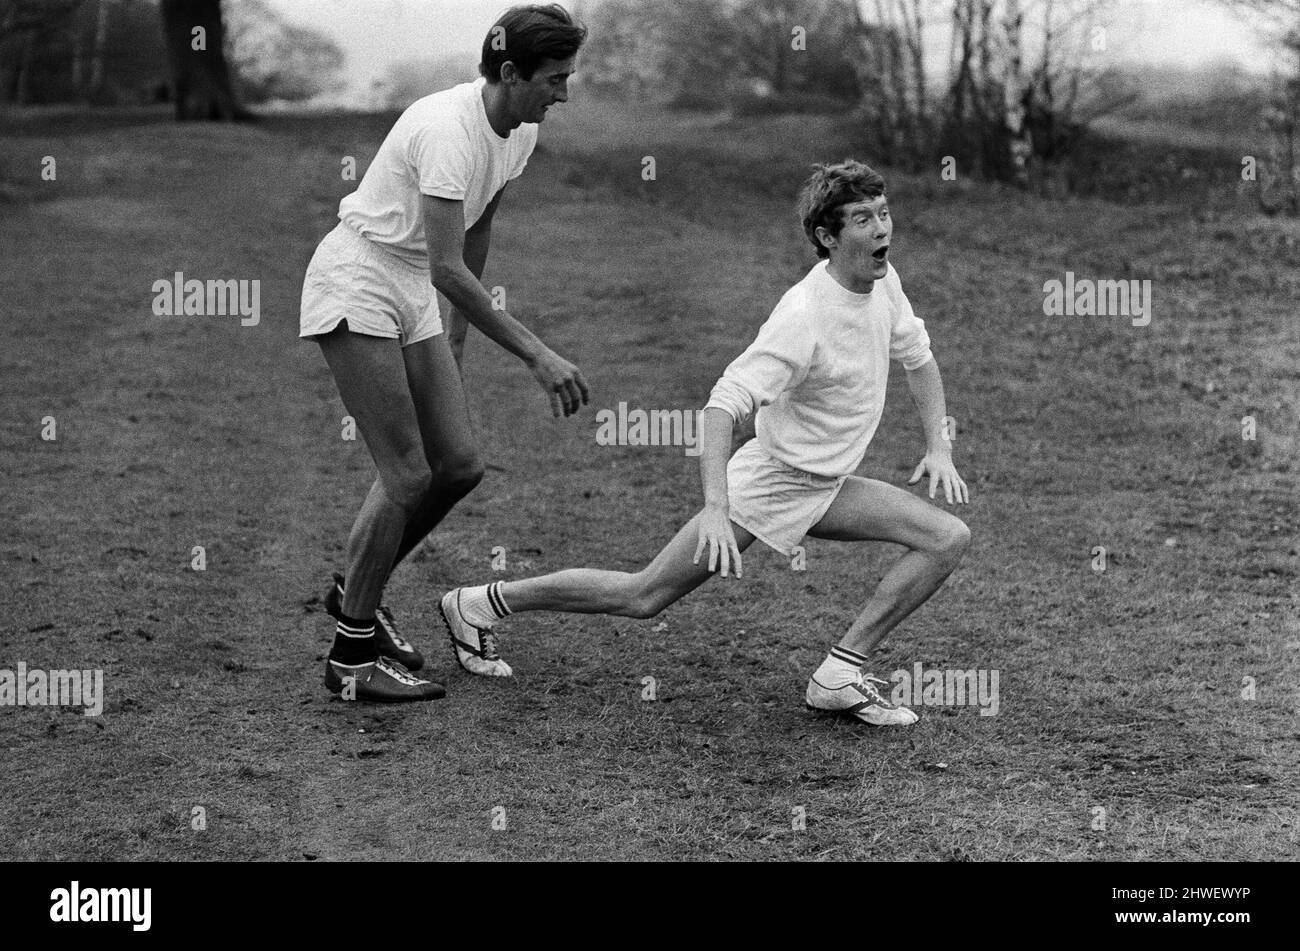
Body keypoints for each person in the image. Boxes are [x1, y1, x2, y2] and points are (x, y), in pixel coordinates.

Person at [440, 159, 971, 726]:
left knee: (945, 538)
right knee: (643, 596)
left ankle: (838, 675)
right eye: (863, 219)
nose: (882, 228)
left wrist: (938, 446)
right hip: (770, 483)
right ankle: (478, 603)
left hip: (827, 483)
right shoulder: (803, 316)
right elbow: (722, 404)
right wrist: (718, 508)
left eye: (884, 214)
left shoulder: (883, 282)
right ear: (827, 236)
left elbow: (918, 358)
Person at [299, 4, 589, 702]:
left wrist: (456, 336)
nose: (565, 93)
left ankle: (356, 591)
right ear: (510, 73)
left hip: (413, 288)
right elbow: (444, 266)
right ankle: (352, 658)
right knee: (405, 474)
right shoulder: (446, 129)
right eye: (555, 78)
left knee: (457, 465)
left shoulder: (516, 132)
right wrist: (535, 353)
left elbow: (476, 228)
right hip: (359, 278)